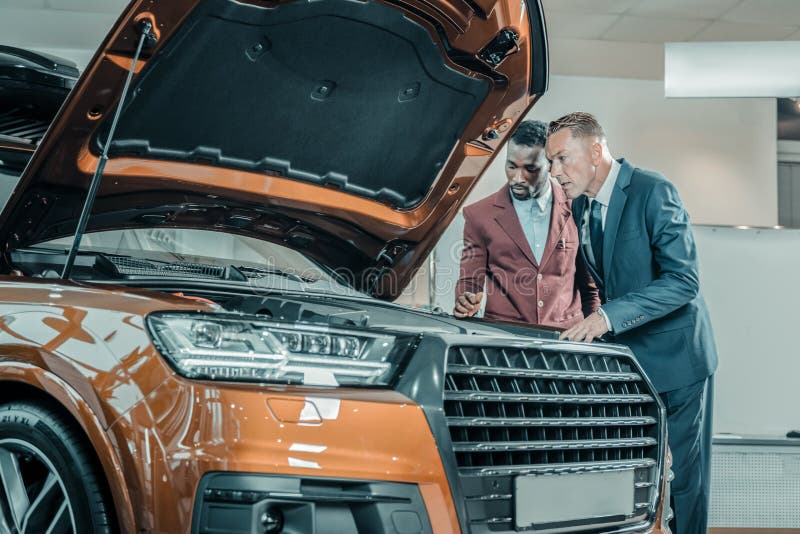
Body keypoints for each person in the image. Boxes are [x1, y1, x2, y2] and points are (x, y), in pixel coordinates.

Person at [546, 112, 717, 534]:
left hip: (679, 363)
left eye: (562, 159)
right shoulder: (582, 205)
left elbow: (683, 281)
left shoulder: (653, 190)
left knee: (684, 481)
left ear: (596, 150)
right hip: (632, 364)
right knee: (638, 473)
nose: (554, 171)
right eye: (552, 162)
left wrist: (607, 317)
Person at [454, 120, 599, 327]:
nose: (517, 178)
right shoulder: (478, 215)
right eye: (511, 166)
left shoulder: (579, 208)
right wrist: (465, 300)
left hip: (567, 342)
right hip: (503, 341)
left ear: (551, 165)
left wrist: (593, 338)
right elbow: (469, 281)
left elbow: (589, 288)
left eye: (530, 168)